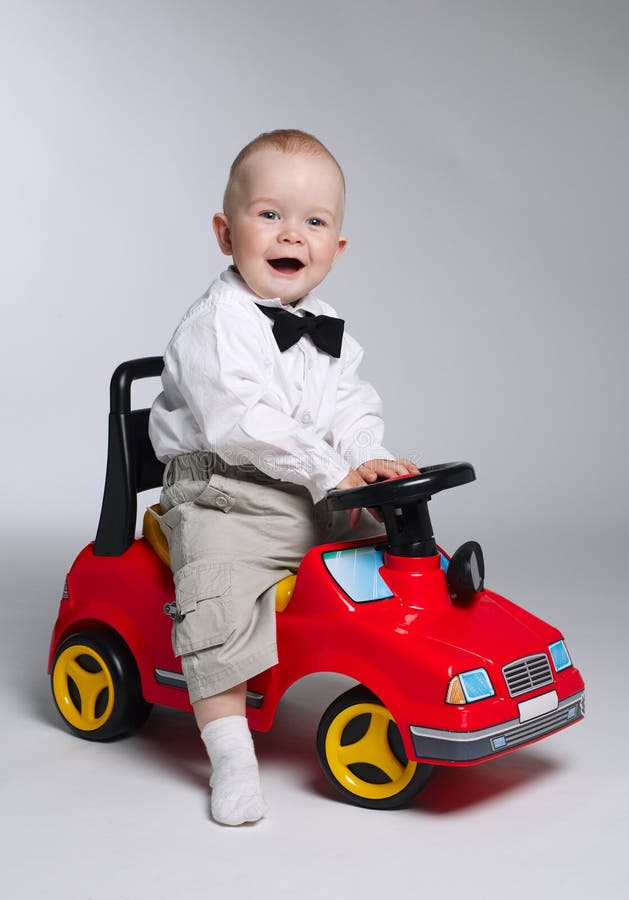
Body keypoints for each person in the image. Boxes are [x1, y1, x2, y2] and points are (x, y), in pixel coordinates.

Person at [149, 129, 418, 826]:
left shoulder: (326, 327)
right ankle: (231, 753)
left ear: (336, 247)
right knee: (221, 588)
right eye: (268, 214)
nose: (289, 233)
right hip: (220, 492)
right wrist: (332, 468)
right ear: (224, 231)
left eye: (313, 221)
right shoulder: (216, 324)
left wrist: (366, 458)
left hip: (305, 489)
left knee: (388, 549)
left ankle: (411, 670)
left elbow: (349, 405)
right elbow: (242, 423)